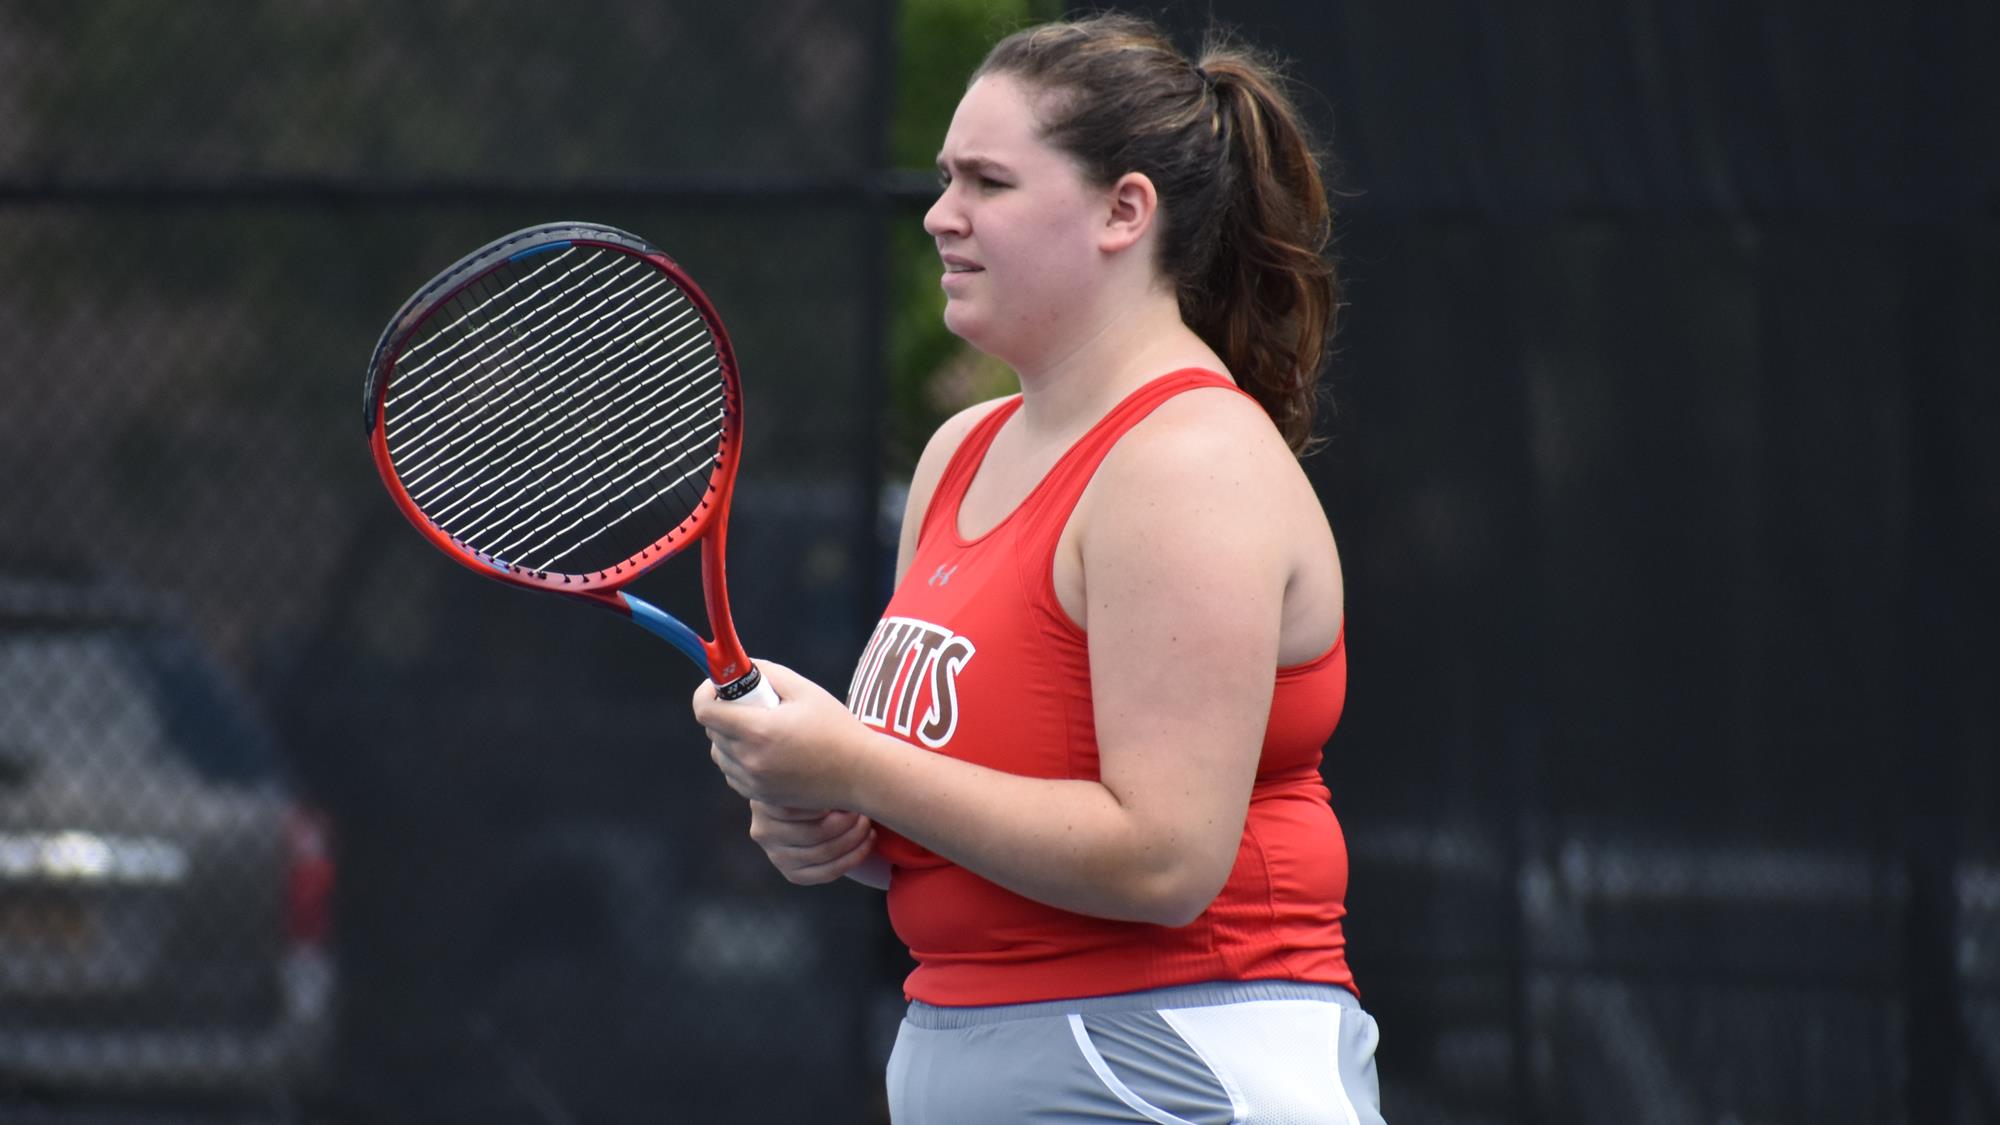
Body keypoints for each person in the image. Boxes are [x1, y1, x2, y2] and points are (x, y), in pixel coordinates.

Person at [694, 12, 1384, 1123]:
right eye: (941, 178)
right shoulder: (958, 455)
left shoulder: (1183, 461)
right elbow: (969, 829)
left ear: (1124, 211)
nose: (939, 215)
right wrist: (829, 808)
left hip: (1167, 1062)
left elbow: (1162, 863)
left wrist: (860, 768)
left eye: (988, 183)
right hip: (985, 1055)